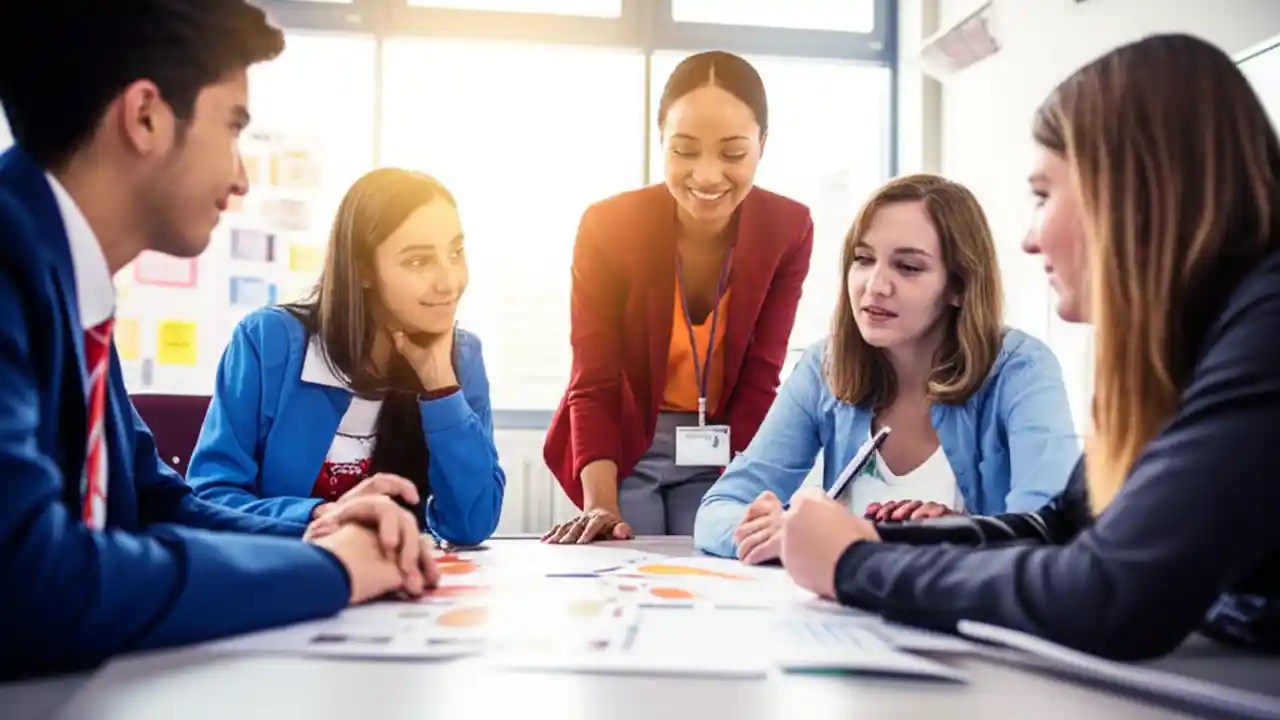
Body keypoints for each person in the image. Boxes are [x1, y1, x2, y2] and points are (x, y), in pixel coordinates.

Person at [780, 34, 1280, 659]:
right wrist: (881, 540)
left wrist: (853, 565)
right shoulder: (1197, 348)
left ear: (1131, 193)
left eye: (1044, 196)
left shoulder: (1267, 330)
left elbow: (1109, 590)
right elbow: (1058, 529)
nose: (1029, 239)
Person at [0, 1, 436, 679]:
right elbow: (28, 583)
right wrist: (327, 572)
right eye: (233, 128)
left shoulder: (65, 278)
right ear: (145, 115)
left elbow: (150, 502)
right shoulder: (10, 262)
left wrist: (318, 529)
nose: (241, 177)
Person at [693, 174, 1079, 563]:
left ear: (959, 286)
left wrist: (954, 534)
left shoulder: (1021, 369)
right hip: (841, 614)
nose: (875, 285)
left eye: (908, 267)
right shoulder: (823, 366)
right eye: (863, 259)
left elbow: (1051, 529)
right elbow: (719, 510)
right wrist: (788, 533)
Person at [542, 51, 814, 543]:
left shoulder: (788, 229)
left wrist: (746, 492)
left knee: (715, 568)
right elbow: (594, 379)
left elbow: (760, 378)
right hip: (625, 440)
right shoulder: (608, 226)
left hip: (719, 444)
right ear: (661, 142)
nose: (708, 175)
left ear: (762, 145)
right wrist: (600, 505)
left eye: (733, 153)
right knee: (627, 570)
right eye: (685, 150)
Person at [188, 169, 505, 547]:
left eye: (455, 252)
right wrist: (321, 516)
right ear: (363, 269)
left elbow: (471, 525)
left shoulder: (461, 357)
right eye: (419, 262)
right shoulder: (267, 342)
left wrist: (440, 385)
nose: (449, 281)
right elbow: (210, 497)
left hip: (391, 590)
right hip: (284, 577)